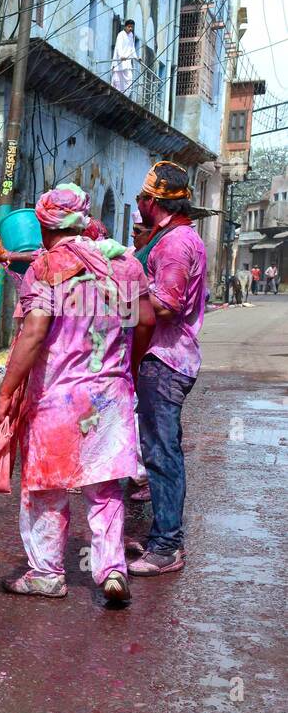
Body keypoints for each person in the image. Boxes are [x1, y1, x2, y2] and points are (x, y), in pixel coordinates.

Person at [0, 184, 155, 604]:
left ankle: (46, 573)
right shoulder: (125, 264)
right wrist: (127, 368)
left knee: (46, 487)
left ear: (44, 226)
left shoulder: (45, 267)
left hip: (57, 399)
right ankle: (112, 570)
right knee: (104, 489)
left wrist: (7, 392)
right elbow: (146, 321)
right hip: (109, 395)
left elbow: (33, 333)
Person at [127, 161, 207, 577]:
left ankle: (167, 546)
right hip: (159, 359)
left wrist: (112, 299)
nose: (138, 206)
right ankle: (163, 533)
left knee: (162, 453)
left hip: (167, 360)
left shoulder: (175, 244)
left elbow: (165, 305)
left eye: (142, 199)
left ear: (153, 202)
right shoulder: (167, 237)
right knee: (159, 449)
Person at [111, 19, 139, 95]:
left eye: (132, 27)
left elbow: (132, 48)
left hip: (127, 62)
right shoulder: (121, 35)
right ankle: (116, 93)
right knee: (117, 78)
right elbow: (118, 47)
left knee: (129, 78)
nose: (130, 29)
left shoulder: (131, 35)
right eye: (129, 27)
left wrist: (136, 58)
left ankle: (126, 94)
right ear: (125, 26)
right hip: (120, 61)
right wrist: (121, 56)